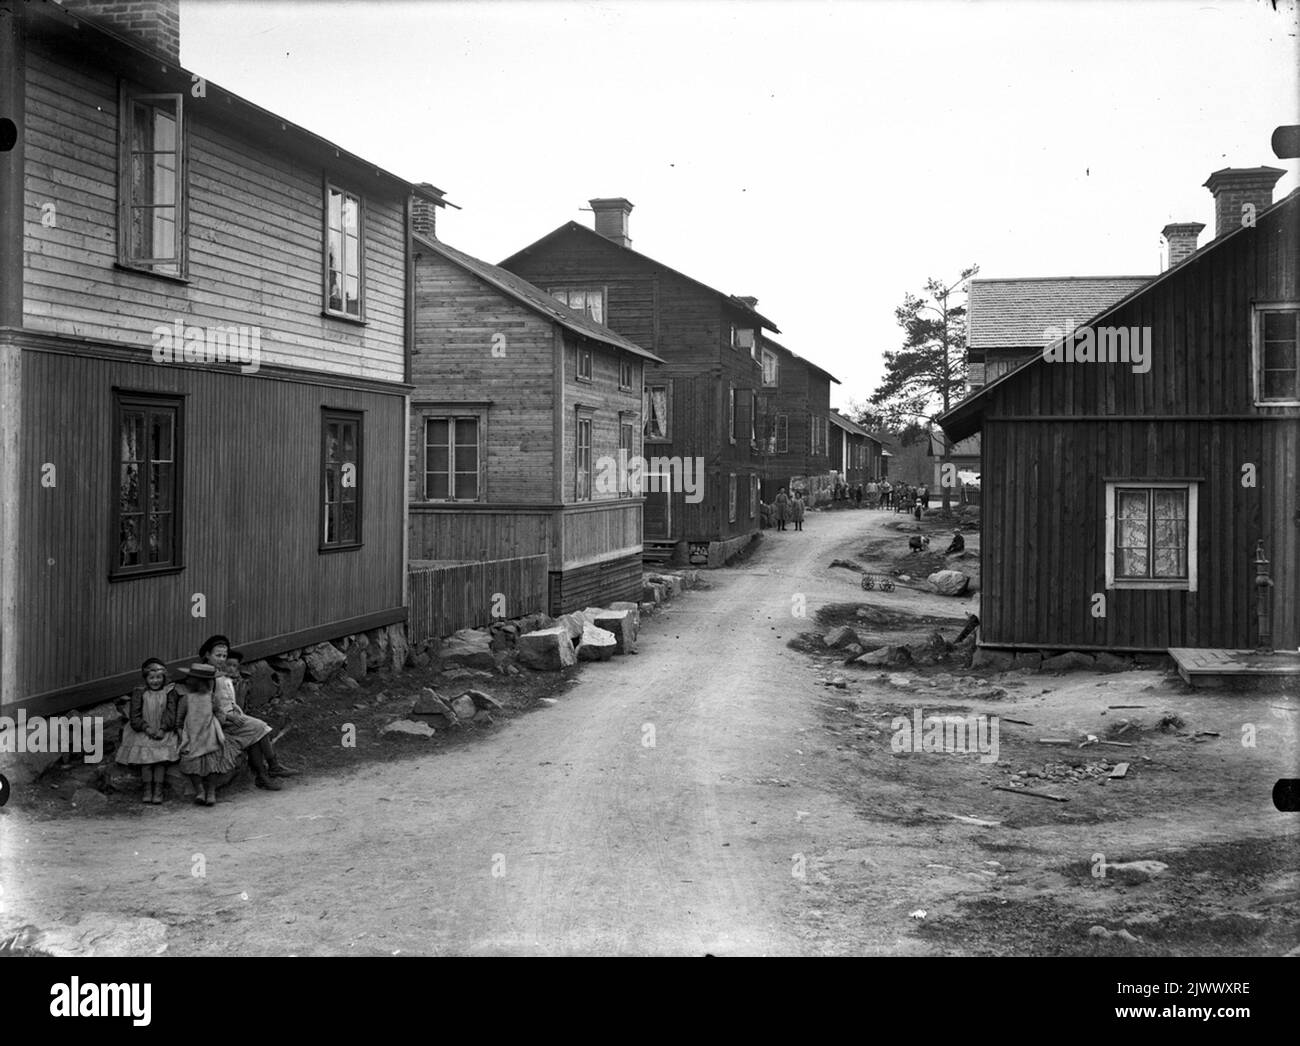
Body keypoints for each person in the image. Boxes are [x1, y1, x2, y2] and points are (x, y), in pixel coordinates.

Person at [200, 635, 297, 790]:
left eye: (224, 656)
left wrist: (236, 710)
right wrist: (229, 717)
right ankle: (272, 766)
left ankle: (263, 776)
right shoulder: (205, 676)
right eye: (217, 655)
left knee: (254, 735)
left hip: (229, 717)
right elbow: (206, 707)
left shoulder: (221, 675)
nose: (221, 659)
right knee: (260, 727)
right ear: (207, 655)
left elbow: (227, 701)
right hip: (217, 723)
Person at [176, 663, 242, 807]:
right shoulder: (186, 699)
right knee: (191, 760)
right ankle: (199, 790)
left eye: (208, 683)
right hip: (192, 737)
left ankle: (211, 791)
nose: (206, 686)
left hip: (210, 735)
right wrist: (182, 736)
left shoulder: (212, 698)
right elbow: (179, 720)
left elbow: (219, 713)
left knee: (214, 760)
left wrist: (217, 722)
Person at [115, 657, 180, 804]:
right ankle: (147, 790)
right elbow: (135, 716)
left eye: (158, 677)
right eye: (152, 678)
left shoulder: (169, 692)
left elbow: (171, 713)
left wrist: (163, 729)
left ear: (163, 677)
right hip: (144, 731)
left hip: (163, 731)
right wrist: (146, 728)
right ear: (146, 678)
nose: (155, 681)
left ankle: (158, 790)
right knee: (146, 761)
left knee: (160, 761)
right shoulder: (139, 693)